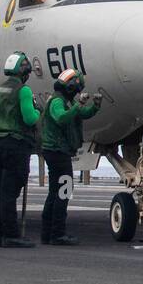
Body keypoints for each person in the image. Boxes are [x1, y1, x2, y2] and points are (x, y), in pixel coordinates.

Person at [39, 68, 101, 245]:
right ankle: (57, 233)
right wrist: (77, 105)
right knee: (63, 191)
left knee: (54, 192)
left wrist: (95, 106)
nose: (79, 91)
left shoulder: (64, 100)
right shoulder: (58, 102)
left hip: (57, 152)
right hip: (58, 152)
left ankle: (47, 233)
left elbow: (82, 114)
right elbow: (61, 118)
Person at [0, 52, 40, 248]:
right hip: (16, 144)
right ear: (24, 71)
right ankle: (12, 235)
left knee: (0, 191)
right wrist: (39, 111)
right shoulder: (23, 90)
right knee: (11, 192)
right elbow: (30, 118)